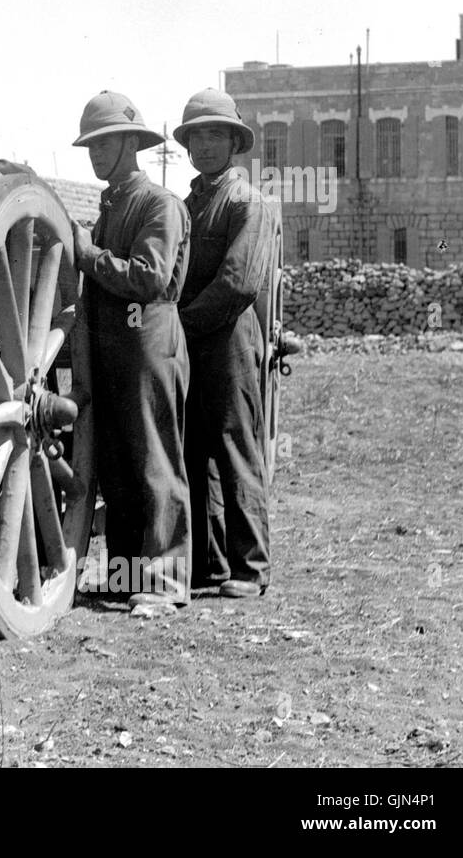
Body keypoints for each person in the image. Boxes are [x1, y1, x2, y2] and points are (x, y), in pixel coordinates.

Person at [70, 91, 192, 608]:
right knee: (117, 469)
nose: (96, 153)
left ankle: (165, 584)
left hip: (148, 346)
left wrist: (90, 254)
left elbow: (150, 278)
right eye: (91, 145)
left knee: (154, 463)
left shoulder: (157, 203)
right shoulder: (112, 206)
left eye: (105, 143)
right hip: (113, 348)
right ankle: (126, 578)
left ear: (131, 144)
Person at [173, 89, 276, 598]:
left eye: (216, 134)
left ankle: (250, 568)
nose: (205, 145)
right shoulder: (185, 205)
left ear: (234, 142)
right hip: (189, 341)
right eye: (197, 136)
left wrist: (179, 324)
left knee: (236, 448)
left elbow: (238, 284)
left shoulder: (247, 203)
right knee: (192, 451)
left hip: (229, 340)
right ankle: (205, 565)